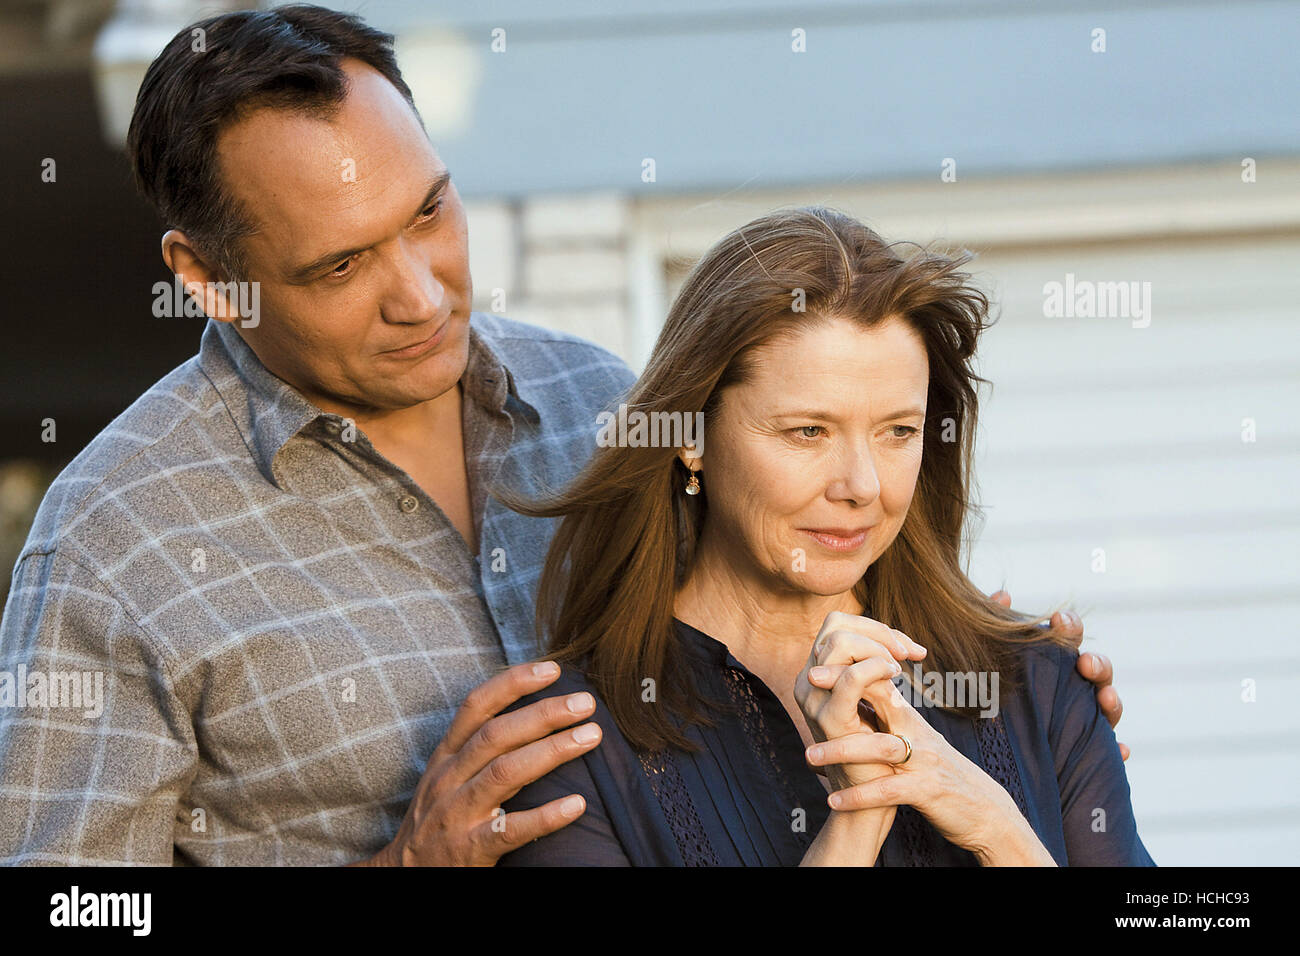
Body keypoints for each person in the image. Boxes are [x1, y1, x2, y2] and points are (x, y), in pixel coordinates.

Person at [0, 6, 1123, 866]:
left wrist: (1007, 694)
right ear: (207, 277)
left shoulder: (602, 400)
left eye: (429, 213)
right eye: (341, 265)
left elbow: (795, 592)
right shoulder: (115, 548)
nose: (420, 293)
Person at [499, 207, 1153, 866]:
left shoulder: (1037, 689)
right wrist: (856, 824)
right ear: (691, 437)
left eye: (898, 431)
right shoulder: (570, 747)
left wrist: (996, 826)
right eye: (809, 431)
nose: (862, 486)